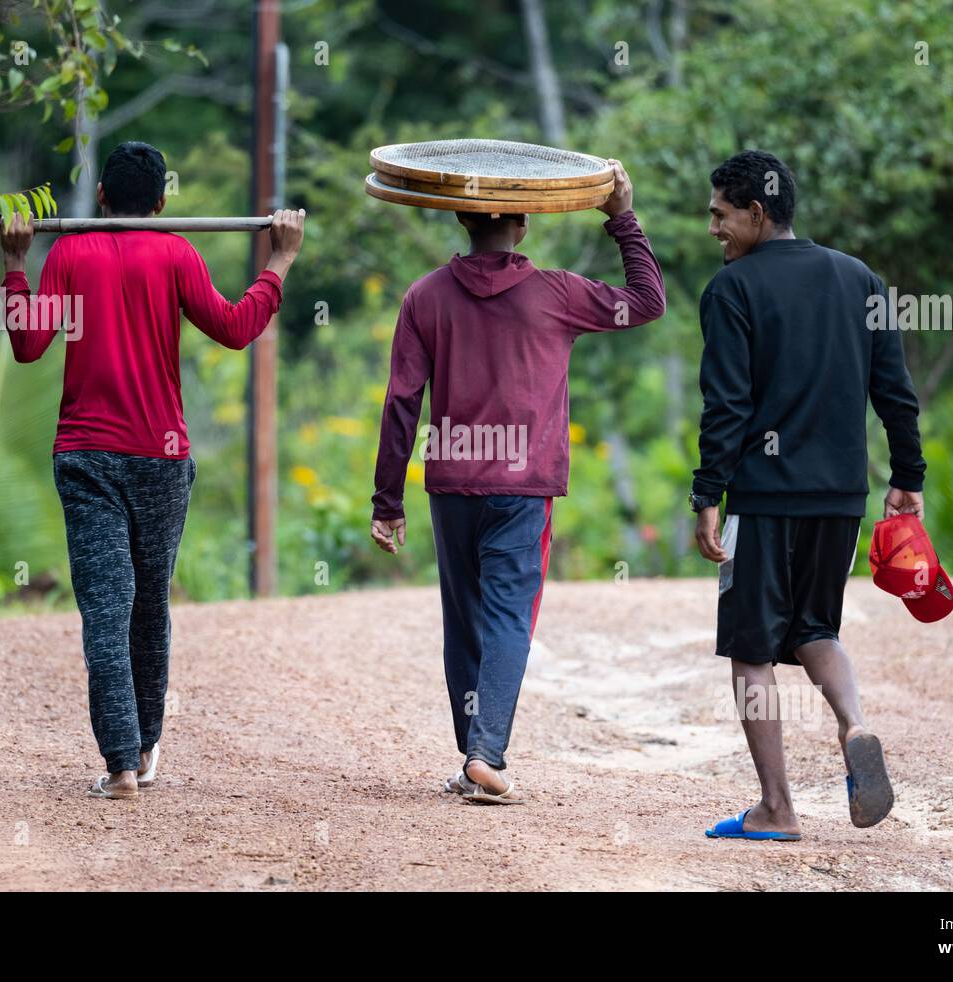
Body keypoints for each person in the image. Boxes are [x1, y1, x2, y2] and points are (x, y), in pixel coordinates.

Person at [0, 141, 305, 799]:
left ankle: (121, 767)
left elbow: (27, 345)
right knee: (147, 609)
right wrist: (279, 260)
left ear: (102, 198)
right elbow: (235, 327)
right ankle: (141, 745)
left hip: (85, 458)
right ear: (163, 202)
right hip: (160, 460)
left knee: (106, 612)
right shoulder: (177, 253)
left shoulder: (69, 253)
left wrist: (16, 262)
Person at [370, 161, 665, 804]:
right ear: (525, 223)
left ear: (460, 217)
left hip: (451, 481)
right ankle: (486, 752)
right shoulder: (557, 293)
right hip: (523, 483)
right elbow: (648, 302)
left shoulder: (424, 297)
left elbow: (402, 402)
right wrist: (621, 216)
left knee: (465, 617)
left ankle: (472, 751)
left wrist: (386, 499)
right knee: (508, 614)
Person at [693, 150, 925, 840]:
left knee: (750, 648)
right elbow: (896, 393)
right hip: (841, 497)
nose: (714, 230)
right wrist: (906, 477)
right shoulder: (860, 278)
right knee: (815, 629)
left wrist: (709, 491)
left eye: (721, 215)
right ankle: (855, 725)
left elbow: (727, 405)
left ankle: (776, 807)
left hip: (764, 500)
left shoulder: (731, 290)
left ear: (757, 213)